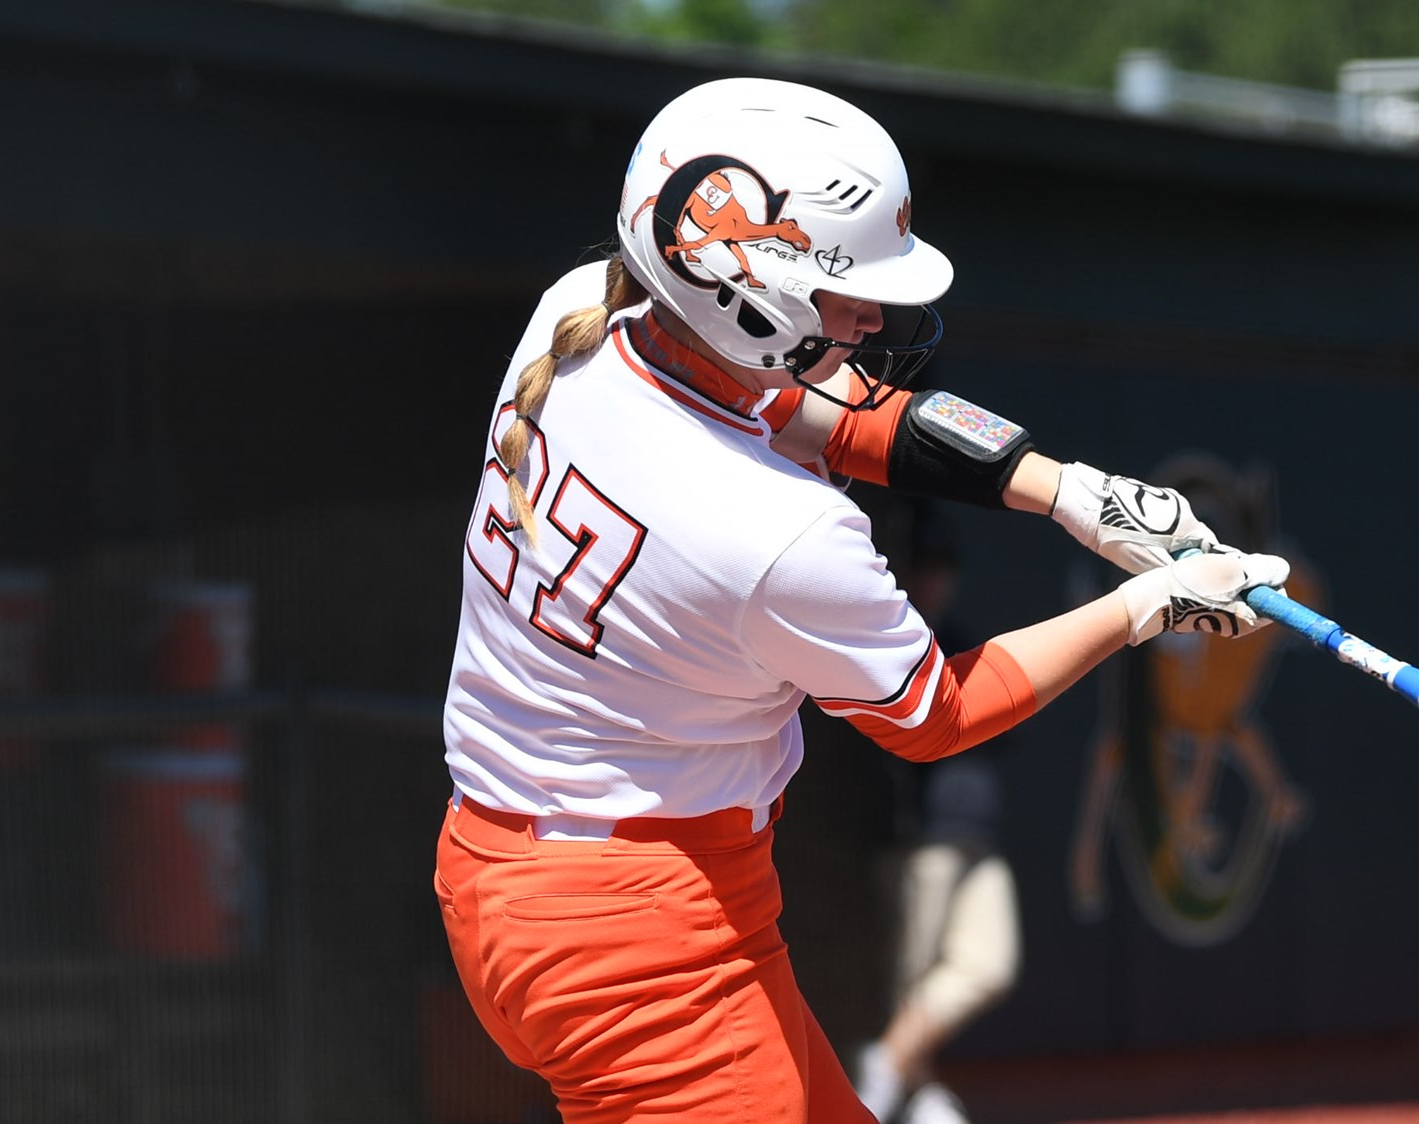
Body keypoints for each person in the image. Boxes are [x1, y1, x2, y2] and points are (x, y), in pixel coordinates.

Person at [434, 76, 1291, 1124]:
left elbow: (818, 413)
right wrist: (1150, 601)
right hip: (637, 935)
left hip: (514, 871)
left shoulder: (578, 313)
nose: (873, 317)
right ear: (731, 285)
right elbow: (936, 714)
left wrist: (1072, 493)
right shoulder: (780, 531)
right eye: (839, 292)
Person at [853, 511, 1021, 1124]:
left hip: (977, 833)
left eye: (943, 569)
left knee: (991, 964)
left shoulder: (958, 633)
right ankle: (914, 1093)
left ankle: (890, 1069)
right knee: (912, 979)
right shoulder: (887, 641)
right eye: (924, 568)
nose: (934, 581)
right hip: (918, 837)